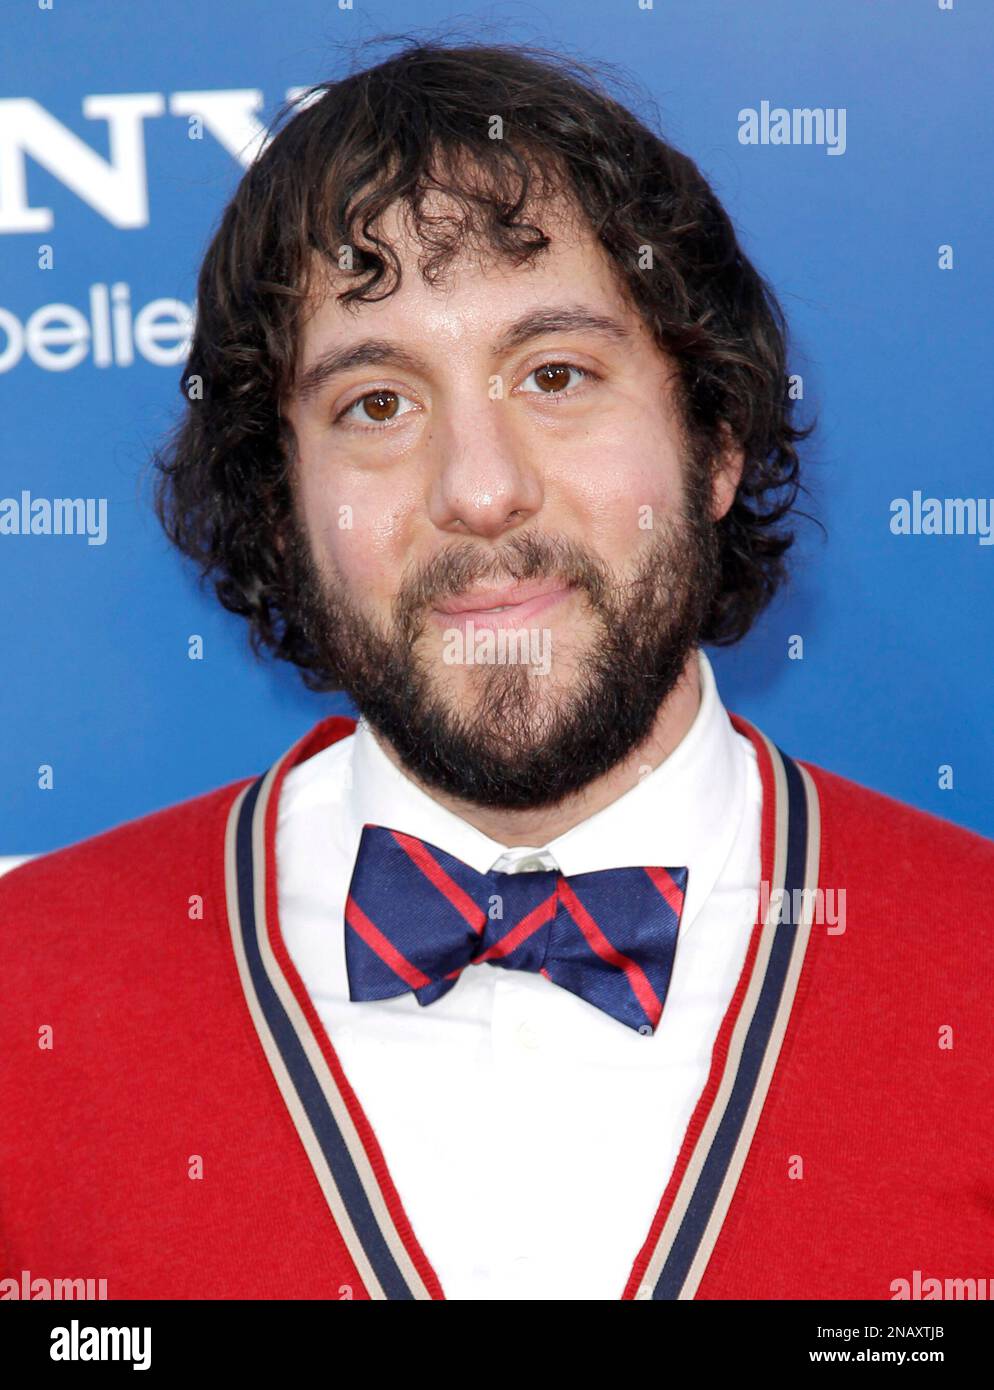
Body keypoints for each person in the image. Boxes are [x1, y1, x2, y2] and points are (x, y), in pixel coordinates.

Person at [2, 40, 992, 1303]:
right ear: (279, 507)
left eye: (557, 375)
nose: (479, 489)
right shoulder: (21, 997)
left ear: (717, 443)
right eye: (375, 403)